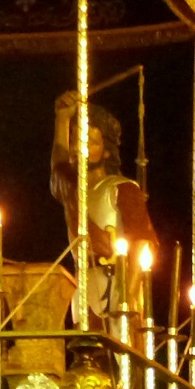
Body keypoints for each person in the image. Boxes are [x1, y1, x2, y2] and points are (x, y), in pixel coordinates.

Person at [52, 96, 154, 320]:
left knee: (120, 349)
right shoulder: (73, 192)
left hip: (117, 280)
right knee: (86, 350)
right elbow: (58, 169)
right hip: (85, 281)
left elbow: (141, 241)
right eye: (76, 141)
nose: (80, 148)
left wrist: (129, 294)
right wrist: (62, 120)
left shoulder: (122, 189)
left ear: (106, 151)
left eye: (90, 142)